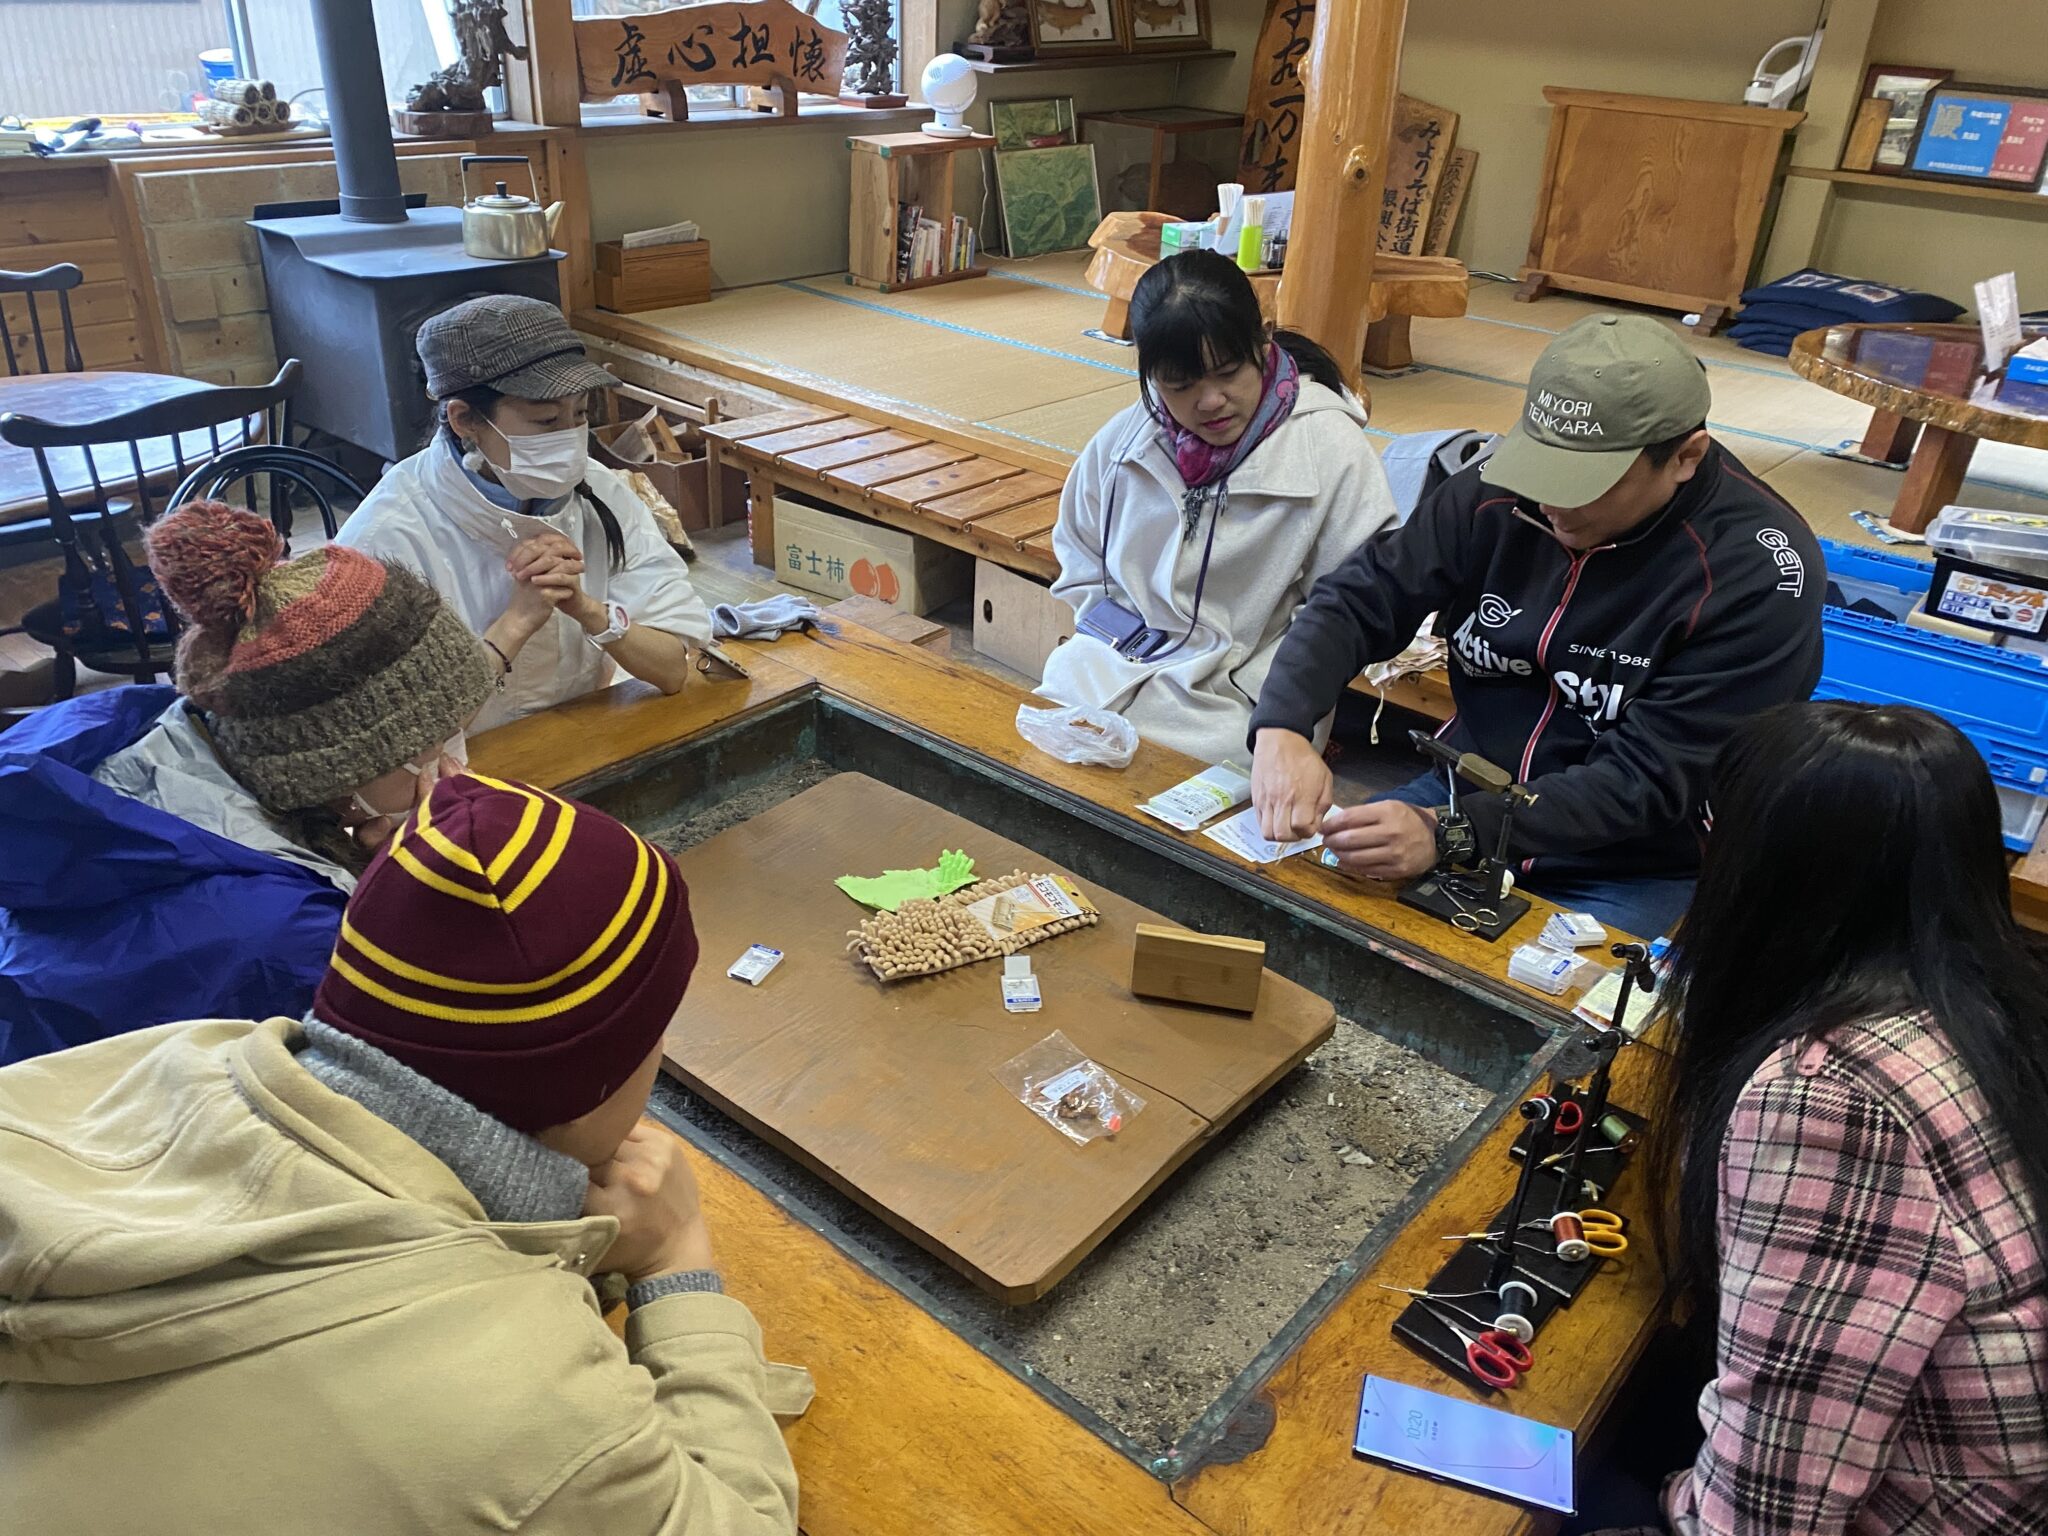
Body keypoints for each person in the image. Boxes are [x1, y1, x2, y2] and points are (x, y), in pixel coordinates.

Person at [0, 773, 803, 1535]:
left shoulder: (173, 1057)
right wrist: (674, 1261)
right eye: (656, 1027)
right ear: (598, 1071)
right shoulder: (523, 1406)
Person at [1249, 313, 1824, 938]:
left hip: (1626, 857)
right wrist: (1283, 725)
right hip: (1459, 792)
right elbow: (1361, 598)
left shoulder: (1758, 574)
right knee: (1300, 919)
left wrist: (1452, 834)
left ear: (1685, 456)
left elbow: (1650, 779)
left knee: (1525, 997)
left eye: (1584, 484)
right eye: (1540, 469)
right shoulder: (1495, 492)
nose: (1550, 503)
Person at [1644, 701, 2047, 1534]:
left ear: (1765, 868)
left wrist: (1665, 1499)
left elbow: (1764, 1516)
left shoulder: (1831, 1097)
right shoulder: (1998, 1007)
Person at [0, 501, 494, 1065]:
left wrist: (359, 863)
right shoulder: (291, 936)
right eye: (439, 744)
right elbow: (391, 1076)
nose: (458, 769)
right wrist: (416, 904)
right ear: (335, 764)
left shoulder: (160, 728)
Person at [1038, 248, 1398, 767]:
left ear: (1264, 340)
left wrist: (1266, 693)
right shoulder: (1125, 442)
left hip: (1242, 705)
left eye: (1228, 373)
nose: (1209, 401)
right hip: (1110, 668)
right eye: (1180, 385)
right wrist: (1112, 637)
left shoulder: (1330, 450)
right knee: (1049, 726)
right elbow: (1079, 551)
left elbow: (1356, 604)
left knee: (1186, 770)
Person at [336, 293, 711, 732]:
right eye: (547, 421)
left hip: (585, 739)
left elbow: (672, 670)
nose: (571, 437)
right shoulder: (386, 536)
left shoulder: (601, 492)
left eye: (580, 414)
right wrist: (516, 623)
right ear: (464, 420)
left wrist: (590, 611)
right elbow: (394, 733)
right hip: (459, 767)